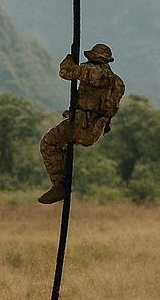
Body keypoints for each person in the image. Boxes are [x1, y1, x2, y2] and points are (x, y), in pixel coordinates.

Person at [38, 45, 126, 204]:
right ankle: (62, 179)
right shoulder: (116, 81)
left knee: (49, 142)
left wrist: (68, 61)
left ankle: (59, 185)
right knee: (61, 146)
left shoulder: (97, 73)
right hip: (95, 128)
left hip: (81, 125)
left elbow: (67, 73)